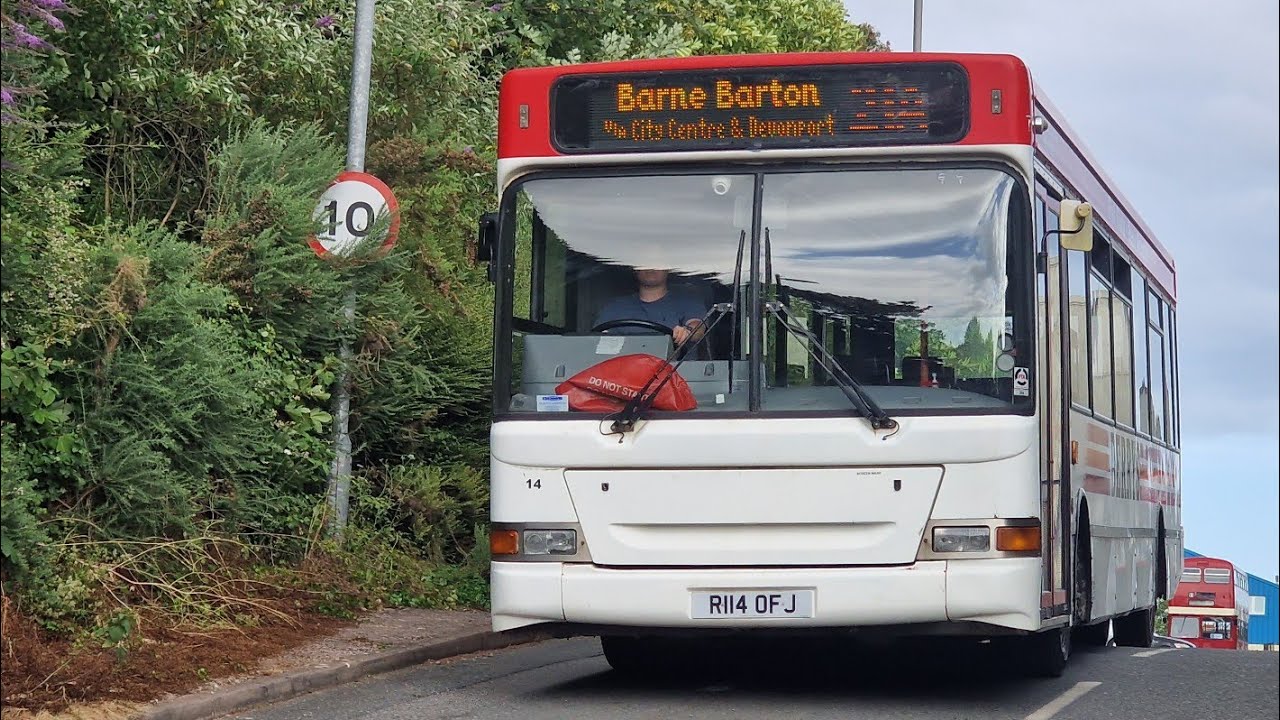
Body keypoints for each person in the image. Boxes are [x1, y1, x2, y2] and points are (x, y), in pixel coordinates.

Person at [593, 268, 707, 345]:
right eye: (645, 262)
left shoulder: (688, 302)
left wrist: (686, 332)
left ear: (668, 268)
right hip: (621, 377)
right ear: (635, 268)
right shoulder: (614, 307)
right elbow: (595, 342)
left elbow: (697, 328)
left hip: (675, 377)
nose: (651, 268)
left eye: (657, 262)